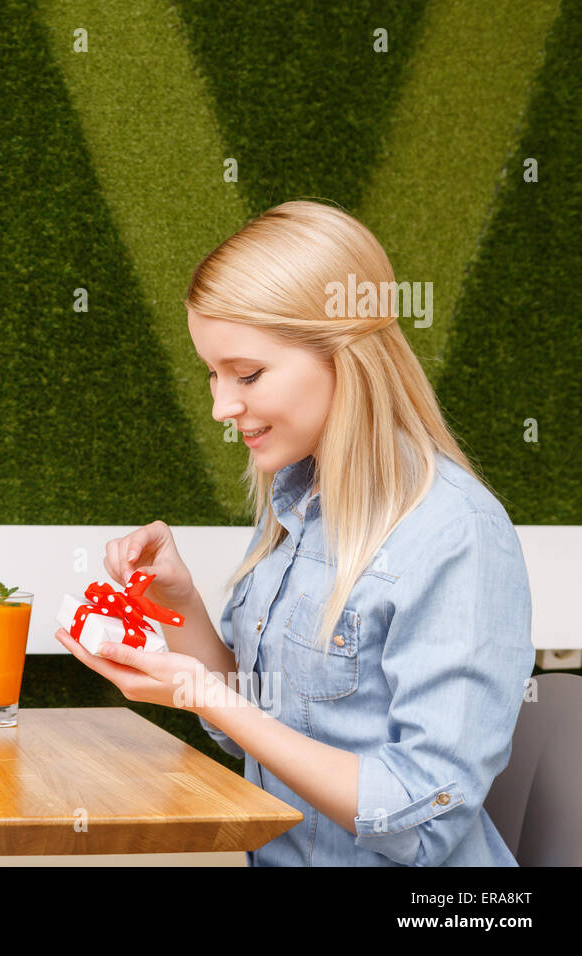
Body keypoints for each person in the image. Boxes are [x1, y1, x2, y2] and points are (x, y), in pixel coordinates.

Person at [55, 200, 535, 866]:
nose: (223, 407)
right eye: (213, 375)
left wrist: (203, 697)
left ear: (346, 356)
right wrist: (178, 603)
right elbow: (252, 724)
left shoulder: (457, 536)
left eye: (248, 374)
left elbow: (422, 820)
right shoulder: (296, 504)